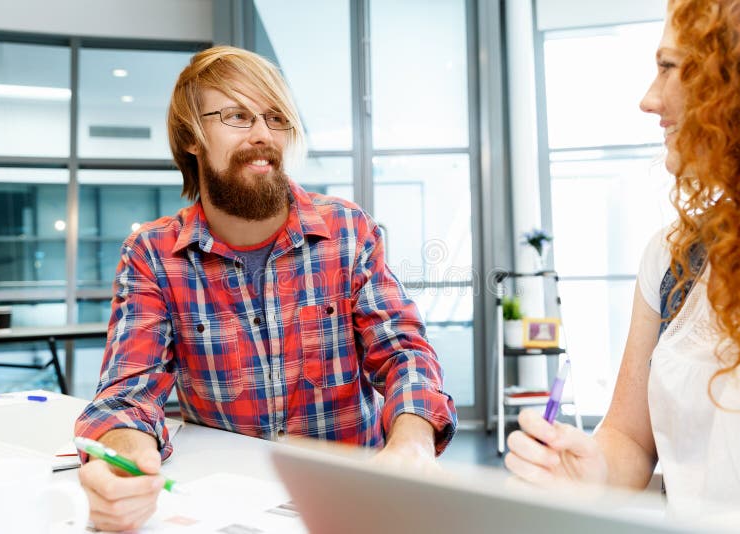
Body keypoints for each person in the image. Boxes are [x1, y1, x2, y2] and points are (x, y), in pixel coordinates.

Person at [74, 45, 457, 531]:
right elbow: (128, 392)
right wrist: (124, 463)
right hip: (226, 512)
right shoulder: (153, 253)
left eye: (275, 117)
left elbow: (405, 353)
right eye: (237, 115)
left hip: (349, 504)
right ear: (192, 137)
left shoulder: (347, 229)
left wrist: (413, 444)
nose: (262, 134)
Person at [505, 0, 740, 519]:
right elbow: (630, 437)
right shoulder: (675, 257)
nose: (649, 99)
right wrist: (592, 472)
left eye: (669, 67)